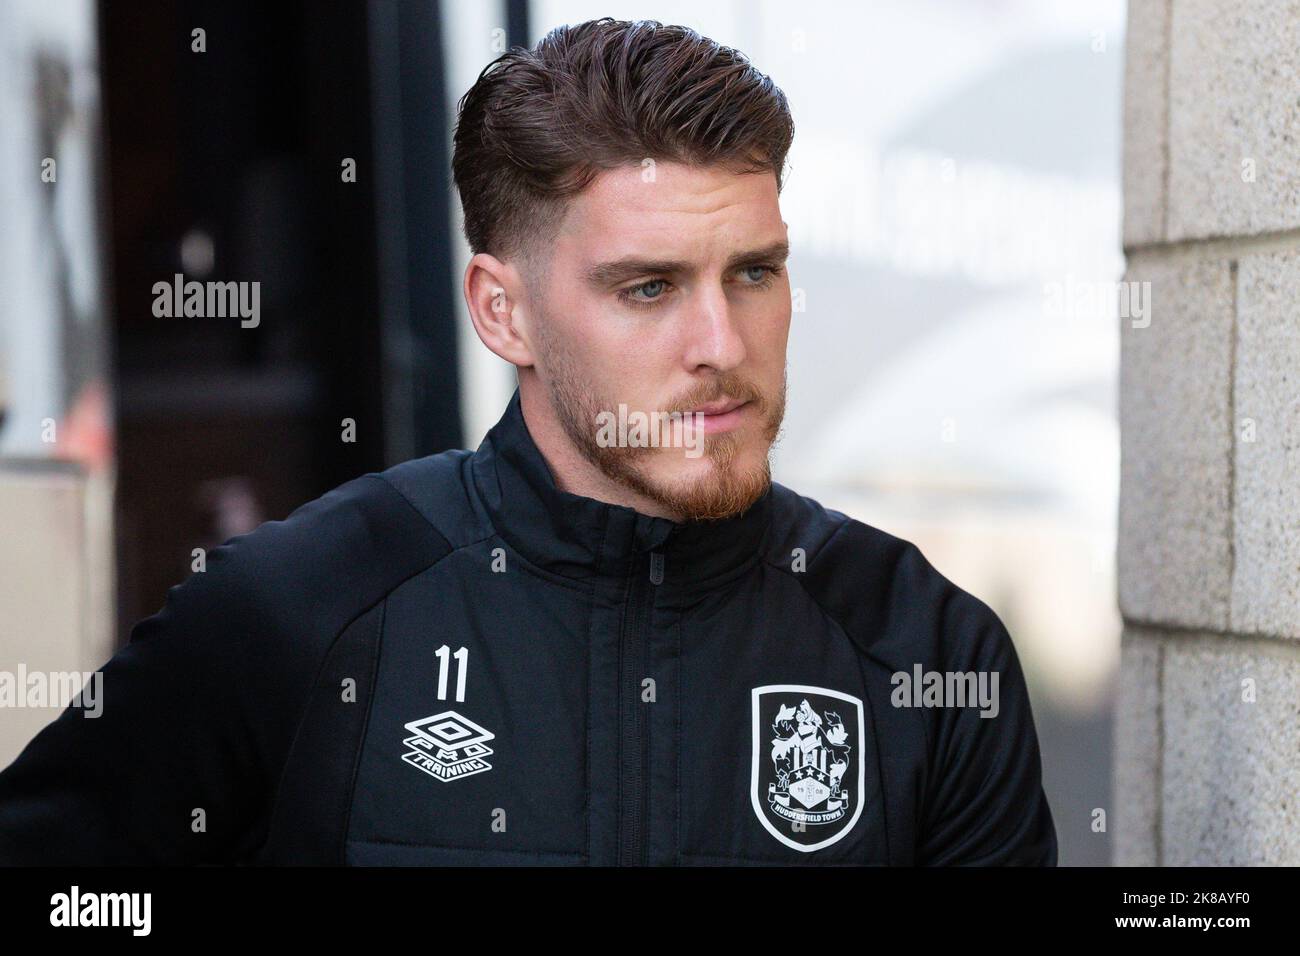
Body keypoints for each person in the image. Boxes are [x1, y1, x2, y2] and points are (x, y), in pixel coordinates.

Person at [0, 17, 1056, 865]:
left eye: (753, 271)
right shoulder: (297, 612)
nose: (720, 343)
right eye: (648, 287)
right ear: (503, 313)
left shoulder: (923, 648)